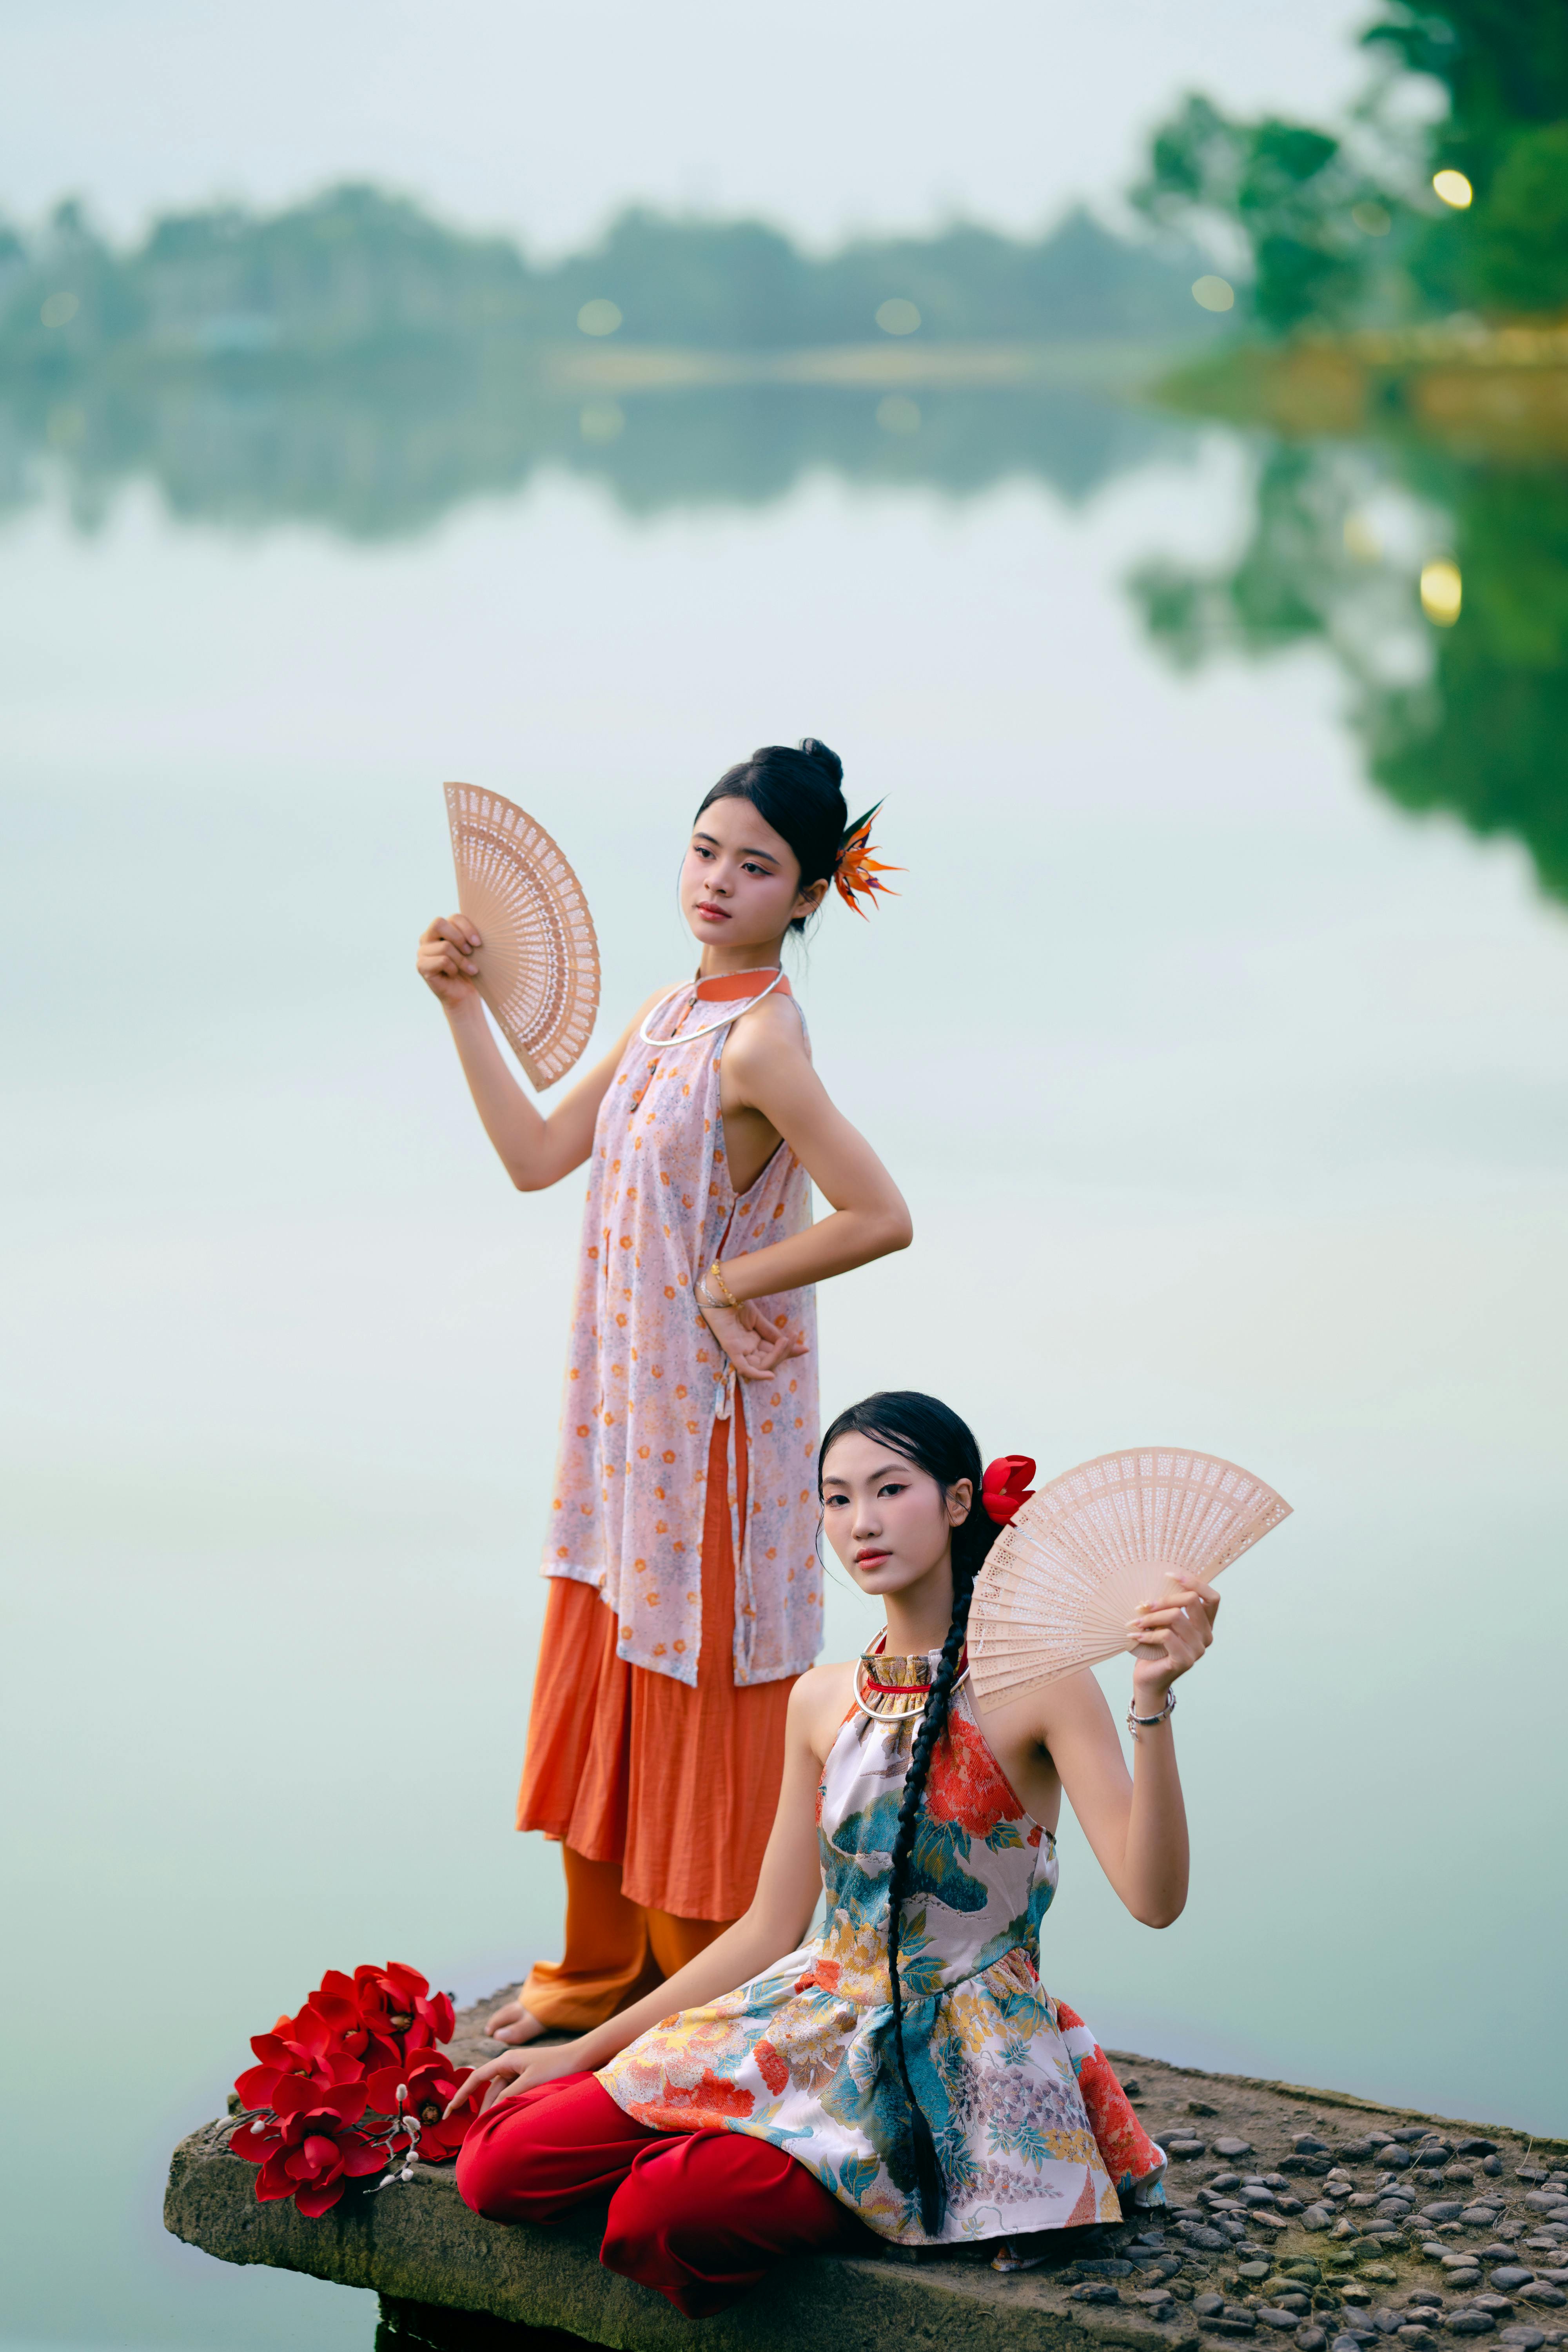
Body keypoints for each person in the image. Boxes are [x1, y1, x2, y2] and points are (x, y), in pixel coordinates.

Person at [447, 1389, 1221, 2317]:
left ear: (960, 1502)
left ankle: (839, 2178)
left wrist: (1152, 1699)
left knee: (659, 2218)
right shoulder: (819, 1697)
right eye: (837, 1498)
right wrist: (590, 2053)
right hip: (808, 2019)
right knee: (499, 2165)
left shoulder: (1040, 1686)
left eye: (890, 1490)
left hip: (954, 2050)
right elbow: (771, 1926)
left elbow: (1153, 1897)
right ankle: (753, 2149)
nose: (860, 1522)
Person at [416, 741, 912, 2050]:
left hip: (713, 1457)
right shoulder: (662, 1016)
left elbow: (879, 1214)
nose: (718, 881)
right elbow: (534, 1157)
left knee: (695, 1714)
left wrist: (728, 1279)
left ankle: (698, 2016)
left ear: (809, 896)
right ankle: (597, 1980)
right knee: (604, 1688)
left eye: (756, 867)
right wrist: (463, 1005)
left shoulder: (760, 1045)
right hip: (620, 1440)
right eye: (706, 851)